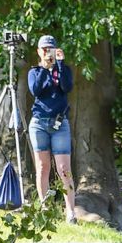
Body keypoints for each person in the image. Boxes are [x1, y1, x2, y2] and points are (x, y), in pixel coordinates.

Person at [28, 34, 77, 224]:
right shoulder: (34, 71)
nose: (48, 53)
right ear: (39, 52)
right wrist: (45, 68)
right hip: (39, 123)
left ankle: (70, 212)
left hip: (60, 124)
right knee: (42, 167)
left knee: (64, 168)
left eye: (51, 49)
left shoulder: (63, 70)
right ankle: (45, 208)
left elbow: (67, 87)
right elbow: (36, 90)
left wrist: (60, 65)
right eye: (45, 49)